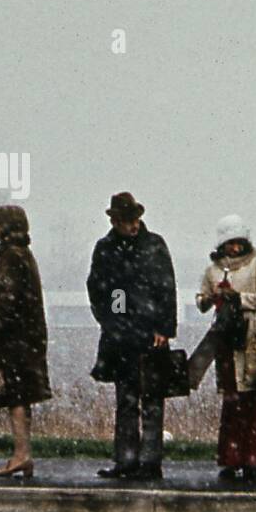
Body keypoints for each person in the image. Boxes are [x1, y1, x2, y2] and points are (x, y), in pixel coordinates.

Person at [86, 192, 177, 480]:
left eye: (135, 219)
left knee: (151, 399)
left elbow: (166, 288)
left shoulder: (154, 245)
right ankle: (126, 460)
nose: (134, 225)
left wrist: (164, 327)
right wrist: (113, 321)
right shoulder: (106, 249)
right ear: (115, 221)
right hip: (122, 337)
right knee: (126, 400)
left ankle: (149, 462)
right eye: (128, 220)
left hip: (150, 334)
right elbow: (100, 289)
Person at [197, 215, 256, 482]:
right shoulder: (213, 269)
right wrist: (212, 297)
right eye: (230, 244)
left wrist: (239, 298)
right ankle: (231, 458)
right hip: (227, 345)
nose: (235, 249)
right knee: (232, 404)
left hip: (253, 343)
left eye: (239, 243)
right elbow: (201, 301)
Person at [0, 205, 51, 478]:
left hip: (15, 339)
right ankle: (22, 453)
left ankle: (19, 454)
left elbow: (8, 299)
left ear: (6, 227)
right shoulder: (23, 254)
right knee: (21, 395)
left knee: (15, 395)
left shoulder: (10, 257)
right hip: (28, 337)